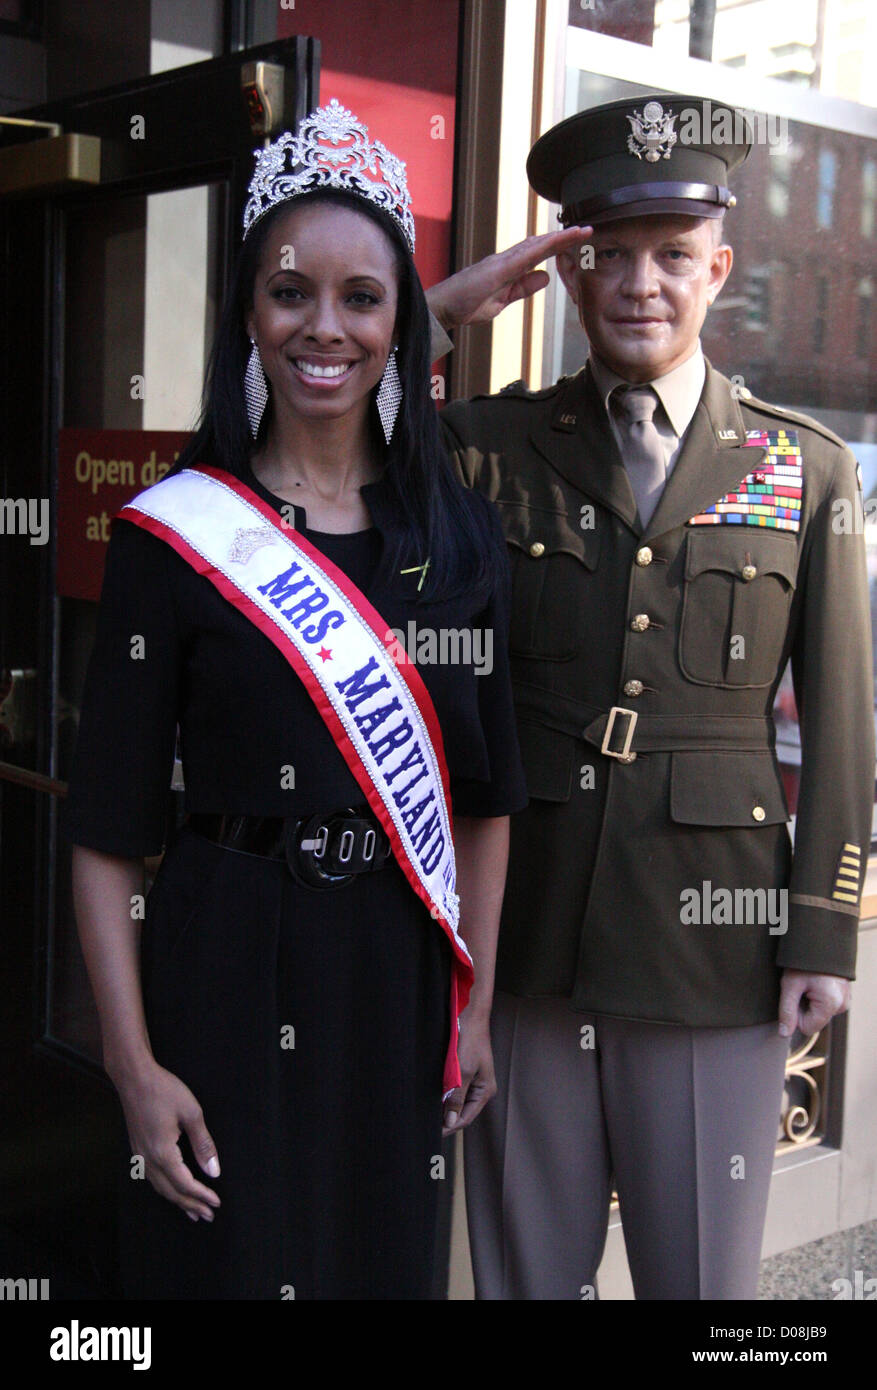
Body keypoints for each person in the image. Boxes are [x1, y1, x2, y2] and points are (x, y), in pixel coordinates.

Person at [65, 98, 527, 1301]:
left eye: (361, 297)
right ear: (247, 316)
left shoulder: (457, 539)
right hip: (221, 959)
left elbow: (481, 801)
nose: (323, 327)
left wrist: (471, 1011)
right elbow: (108, 833)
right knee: (221, 1268)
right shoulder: (175, 539)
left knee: (377, 1265)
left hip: (393, 971)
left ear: (399, 323)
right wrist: (131, 1064)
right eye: (289, 291)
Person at [425, 94, 874, 1299]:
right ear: (569, 274)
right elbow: (304, 431)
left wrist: (822, 931)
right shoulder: (485, 449)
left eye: (672, 255)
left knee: (702, 1289)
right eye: (609, 255)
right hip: (525, 947)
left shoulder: (803, 468)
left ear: (716, 270)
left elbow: (840, 725)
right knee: (524, 1275)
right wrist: (442, 311)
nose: (640, 284)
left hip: (712, 950)